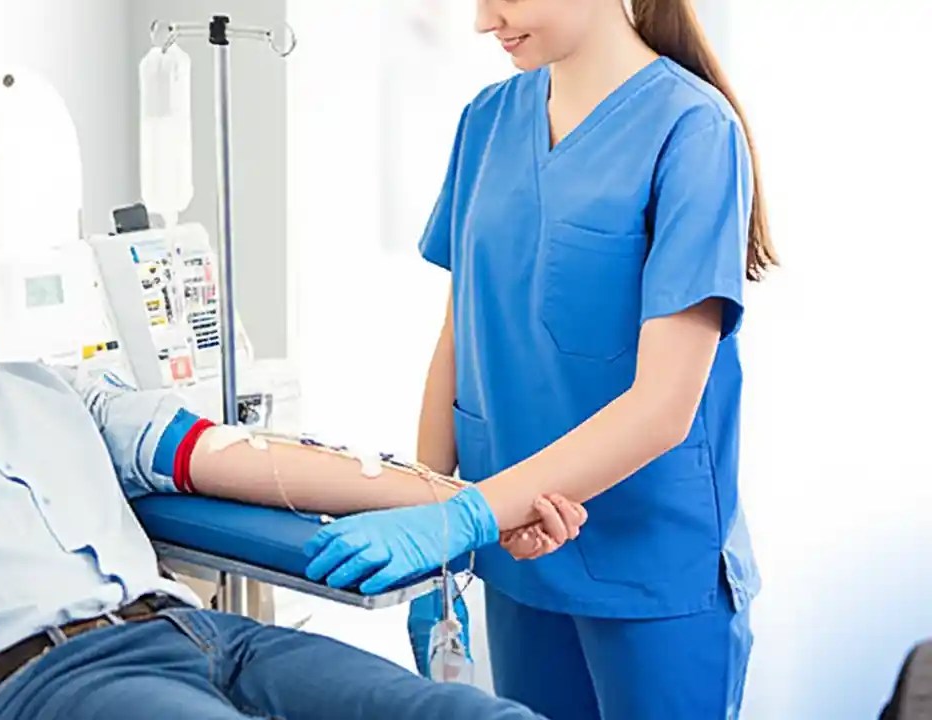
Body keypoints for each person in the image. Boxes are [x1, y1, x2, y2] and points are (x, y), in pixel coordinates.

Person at [0, 144, 587, 720]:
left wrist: (469, 505)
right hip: (52, 679)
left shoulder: (53, 389)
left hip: (212, 638)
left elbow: (238, 459)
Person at [303, 0, 774, 718]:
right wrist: (431, 512)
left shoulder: (693, 130)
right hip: (518, 553)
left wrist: (465, 517)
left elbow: (664, 406)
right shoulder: (488, 121)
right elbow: (459, 338)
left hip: (648, 568)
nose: (484, 21)